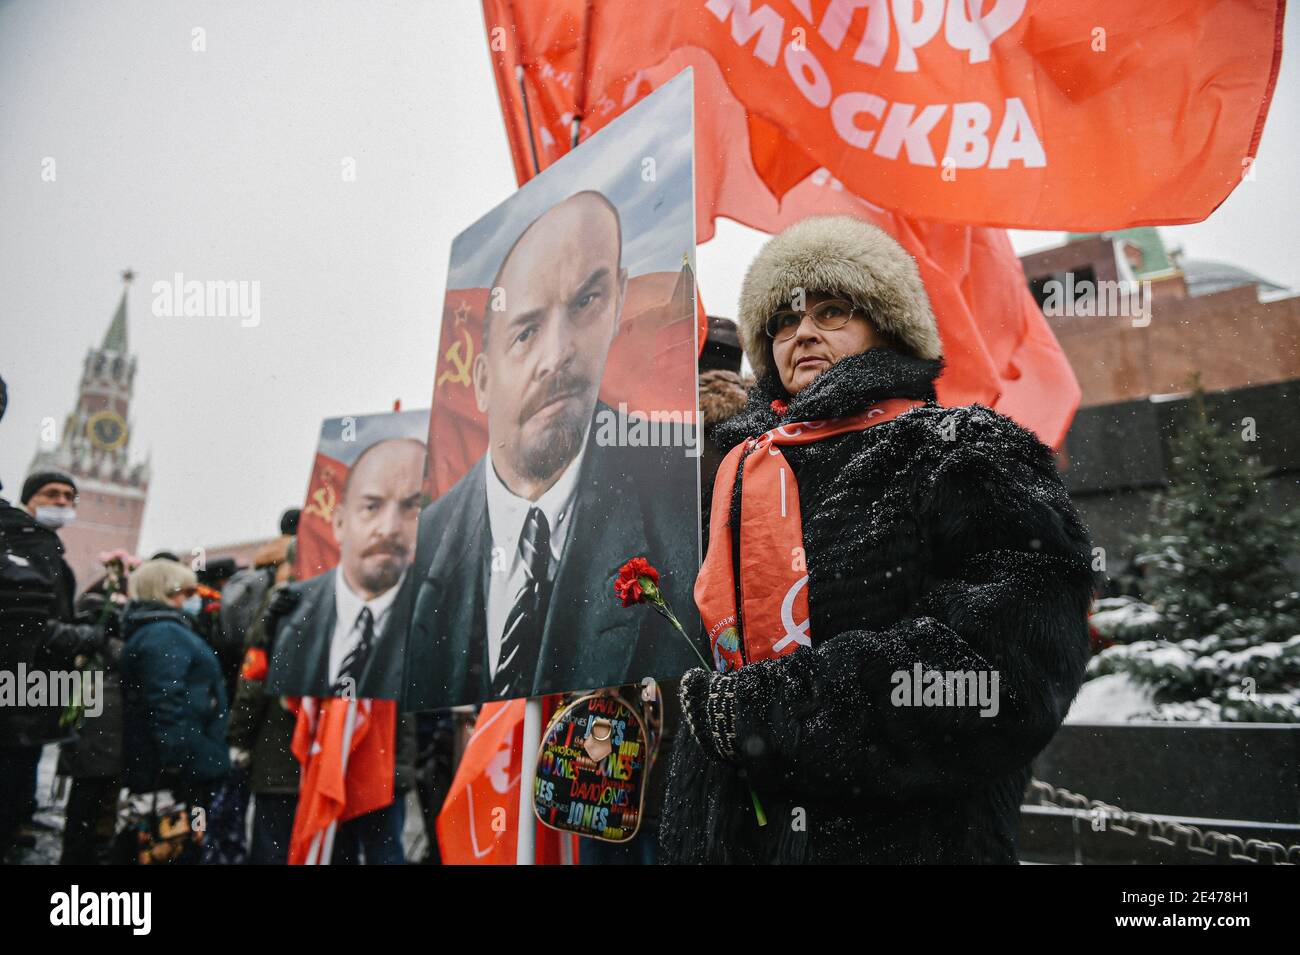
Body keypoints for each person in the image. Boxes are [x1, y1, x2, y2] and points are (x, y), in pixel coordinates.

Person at [658, 216, 1095, 864]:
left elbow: (1006, 669)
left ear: (887, 323)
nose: (801, 332)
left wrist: (773, 715)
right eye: (782, 320)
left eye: (832, 310)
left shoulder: (966, 449)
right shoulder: (739, 473)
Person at [405, 190, 699, 710]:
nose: (558, 353)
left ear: (618, 302)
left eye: (587, 301)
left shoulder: (685, 500)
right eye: (525, 331)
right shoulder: (424, 544)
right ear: (481, 379)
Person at [266, 438, 425, 700]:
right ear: (339, 522)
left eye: (411, 507)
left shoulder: (440, 616)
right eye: (371, 507)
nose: (389, 528)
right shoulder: (292, 609)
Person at [0, 468, 105, 860]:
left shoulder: (44, 547)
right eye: (52, 493)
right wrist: (89, 636)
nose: (62, 502)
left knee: (22, 764)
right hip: (18, 686)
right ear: (29, 498)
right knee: (12, 767)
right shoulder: (20, 541)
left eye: (68, 496)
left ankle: (16, 822)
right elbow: (32, 628)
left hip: (32, 691)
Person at [119, 559, 230, 817]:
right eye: (188, 592)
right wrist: (182, 760)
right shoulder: (165, 633)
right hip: (175, 769)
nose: (195, 599)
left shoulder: (156, 629)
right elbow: (165, 701)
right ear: (167, 591)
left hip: (166, 761)